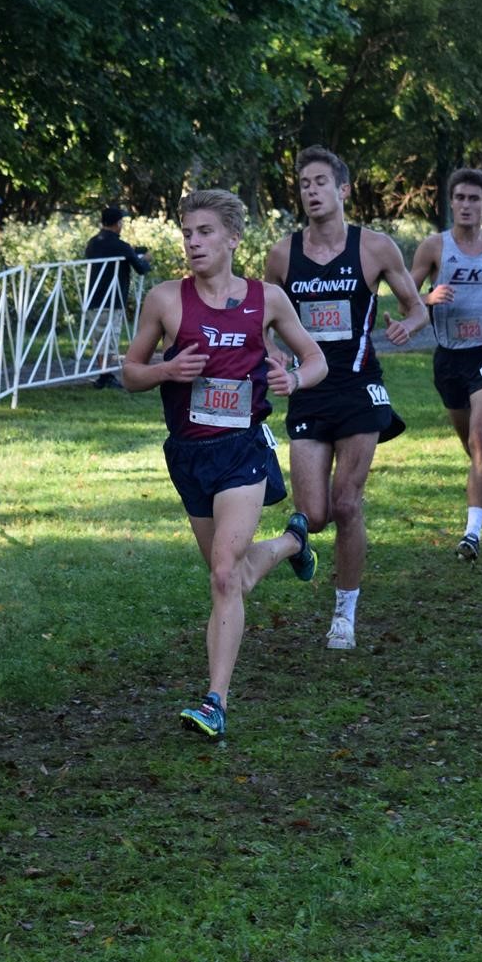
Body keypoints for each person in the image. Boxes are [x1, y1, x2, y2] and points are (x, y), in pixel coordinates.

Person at [120, 189, 327, 740]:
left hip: (242, 449)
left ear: (234, 238)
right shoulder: (166, 299)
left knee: (222, 574)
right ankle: (293, 543)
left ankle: (215, 700)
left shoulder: (267, 299)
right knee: (232, 574)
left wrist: (294, 379)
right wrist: (166, 372)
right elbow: (130, 372)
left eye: (205, 232)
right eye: (187, 233)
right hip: (189, 454)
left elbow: (316, 359)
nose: (193, 242)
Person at [265, 146, 428, 651]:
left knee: (347, 503)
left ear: (343, 189)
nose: (311, 191)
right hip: (309, 390)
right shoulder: (282, 255)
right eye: (304, 184)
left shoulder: (375, 248)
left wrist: (406, 326)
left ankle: (344, 614)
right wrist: (275, 355)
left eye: (320, 182)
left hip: (359, 388)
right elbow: (261, 318)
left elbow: (417, 307)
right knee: (313, 515)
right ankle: (304, 547)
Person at [407, 168, 482, 561]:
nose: (466, 205)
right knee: (470, 444)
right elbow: (407, 294)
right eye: (460, 198)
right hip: (450, 357)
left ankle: (472, 533)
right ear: (451, 202)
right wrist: (429, 298)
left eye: (474, 198)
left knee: (479, 437)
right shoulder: (433, 247)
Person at [82, 205, 152, 388]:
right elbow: (140, 268)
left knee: (99, 338)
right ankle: (105, 376)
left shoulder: (93, 242)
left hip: (93, 298)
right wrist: (145, 259)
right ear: (118, 223)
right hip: (112, 299)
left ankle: (103, 374)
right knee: (110, 338)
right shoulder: (121, 246)